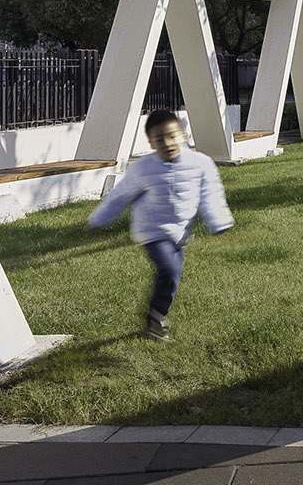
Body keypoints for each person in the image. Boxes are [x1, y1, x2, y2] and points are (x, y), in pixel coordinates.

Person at [85, 110, 233, 341]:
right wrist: (99, 219)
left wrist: (218, 221)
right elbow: (120, 195)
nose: (167, 143)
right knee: (169, 270)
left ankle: (157, 316)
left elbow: (210, 193)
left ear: (183, 135)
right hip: (152, 231)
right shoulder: (144, 168)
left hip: (181, 233)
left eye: (172, 136)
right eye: (159, 139)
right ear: (151, 143)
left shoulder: (200, 163)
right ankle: (156, 318)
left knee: (172, 278)